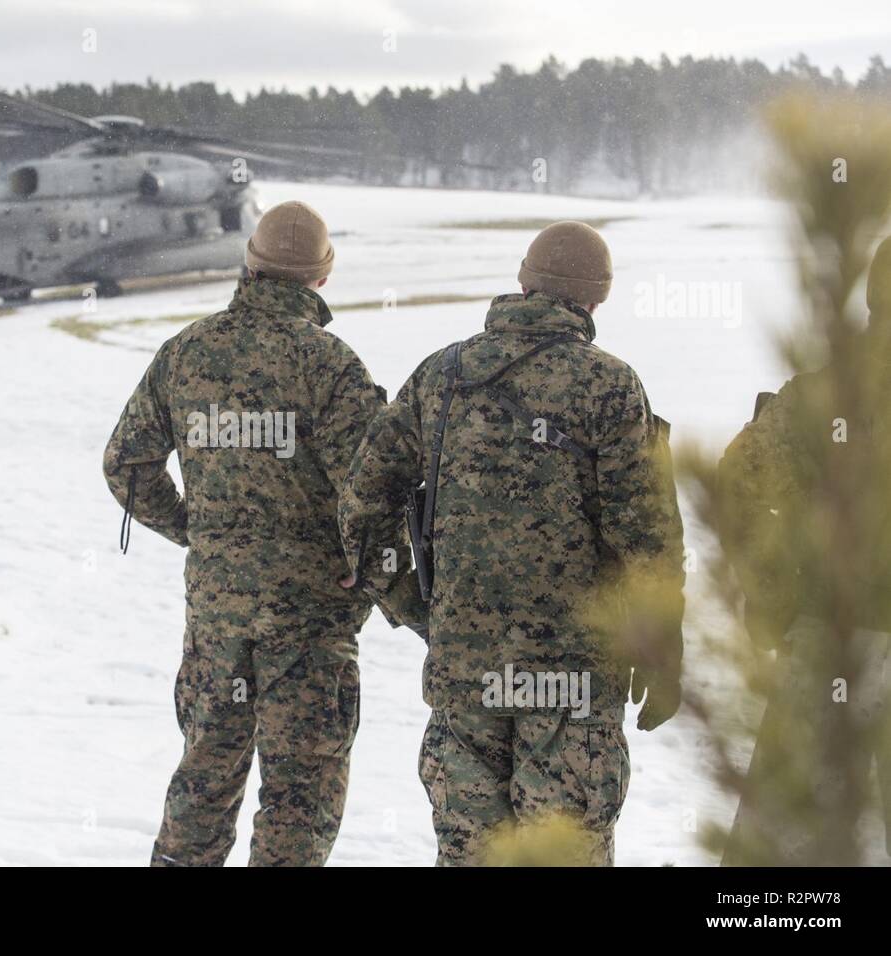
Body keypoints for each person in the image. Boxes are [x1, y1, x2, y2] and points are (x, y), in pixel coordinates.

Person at [339, 221, 685, 865]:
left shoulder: (440, 376)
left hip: (467, 673)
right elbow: (648, 538)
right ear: (595, 301)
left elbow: (362, 502)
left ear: (523, 282)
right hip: (574, 676)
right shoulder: (608, 386)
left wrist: (418, 609)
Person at [103, 201, 415, 866]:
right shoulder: (330, 366)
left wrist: (196, 530)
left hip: (218, 615)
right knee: (299, 795)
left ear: (250, 263)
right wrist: (392, 586)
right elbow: (370, 491)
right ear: (321, 280)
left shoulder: (186, 353)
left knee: (205, 775)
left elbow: (124, 463)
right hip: (309, 621)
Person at [717, 236, 891, 864]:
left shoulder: (819, 394)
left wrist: (774, 592)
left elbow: (734, 489)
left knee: (784, 854)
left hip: (826, 640)